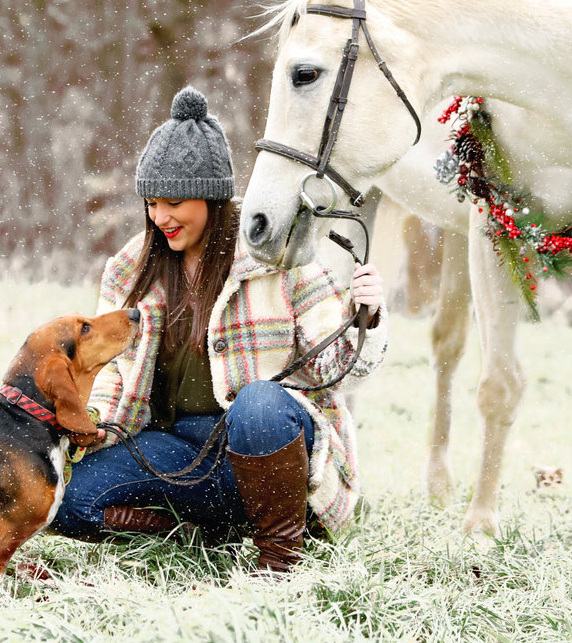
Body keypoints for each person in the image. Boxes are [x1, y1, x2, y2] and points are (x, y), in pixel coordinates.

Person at [49, 86, 387, 573]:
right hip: (176, 453)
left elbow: (335, 369)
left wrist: (366, 316)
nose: (158, 217)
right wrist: (92, 418)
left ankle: (278, 557)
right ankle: (200, 534)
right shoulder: (129, 271)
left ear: (211, 196)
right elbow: (110, 370)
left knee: (258, 401)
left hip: (267, 443)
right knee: (64, 496)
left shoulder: (278, 255)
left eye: (173, 202)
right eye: (150, 203)